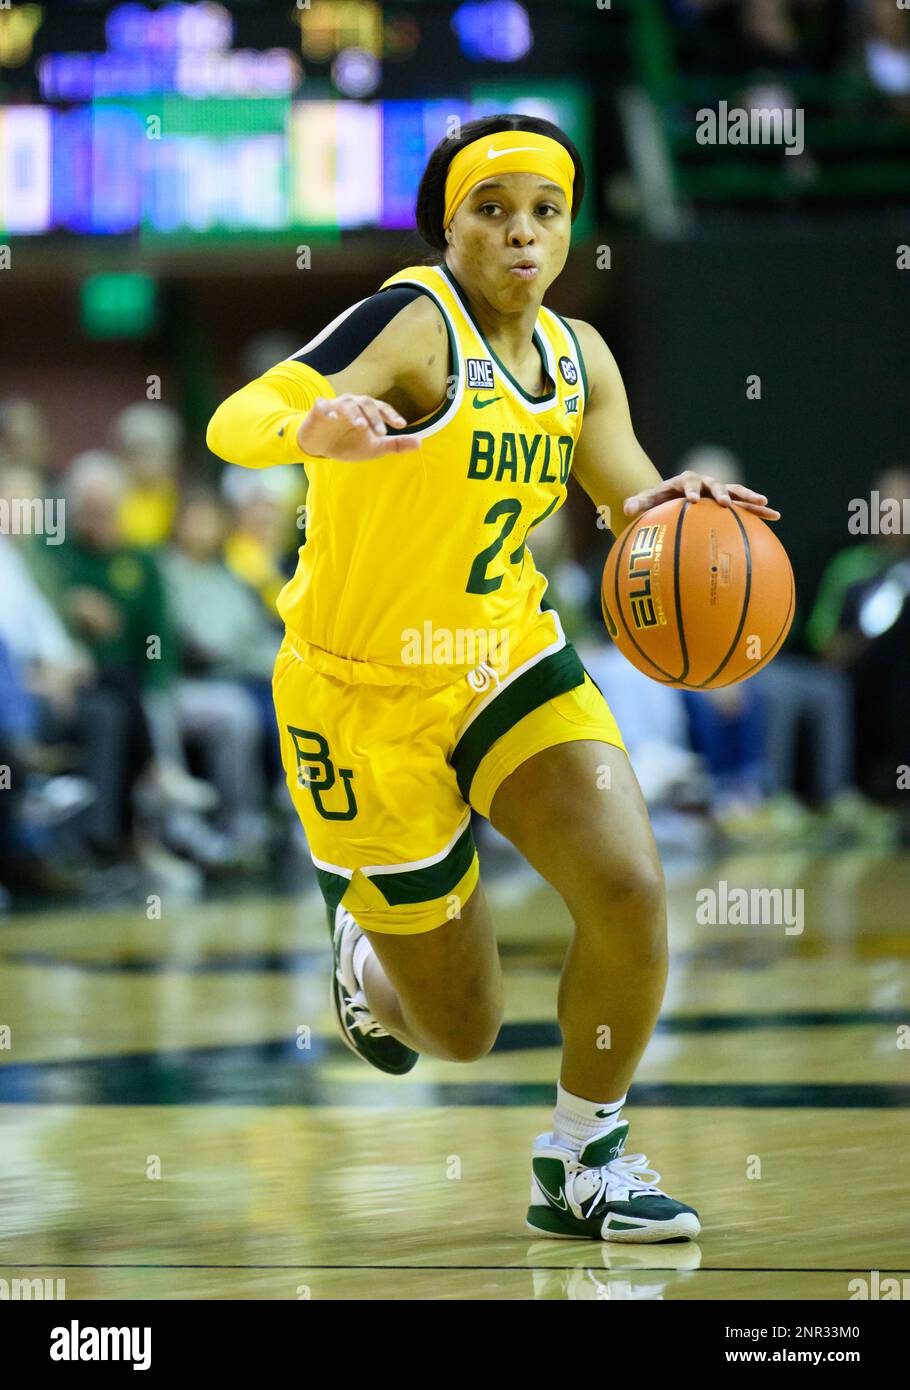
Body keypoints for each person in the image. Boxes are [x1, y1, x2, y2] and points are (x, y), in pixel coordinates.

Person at [207, 114, 776, 1244]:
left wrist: (688, 521)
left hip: (504, 655)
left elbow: (627, 502)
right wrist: (312, 426)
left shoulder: (579, 358)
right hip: (360, 693)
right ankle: (364, 947)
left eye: (546, 211)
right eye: (492, 209)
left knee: (628, 885)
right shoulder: (411, 322)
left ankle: (585, 1154)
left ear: (570, 231)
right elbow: (236, 419)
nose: (521, 233)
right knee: (456, 1031)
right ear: (449, 226)